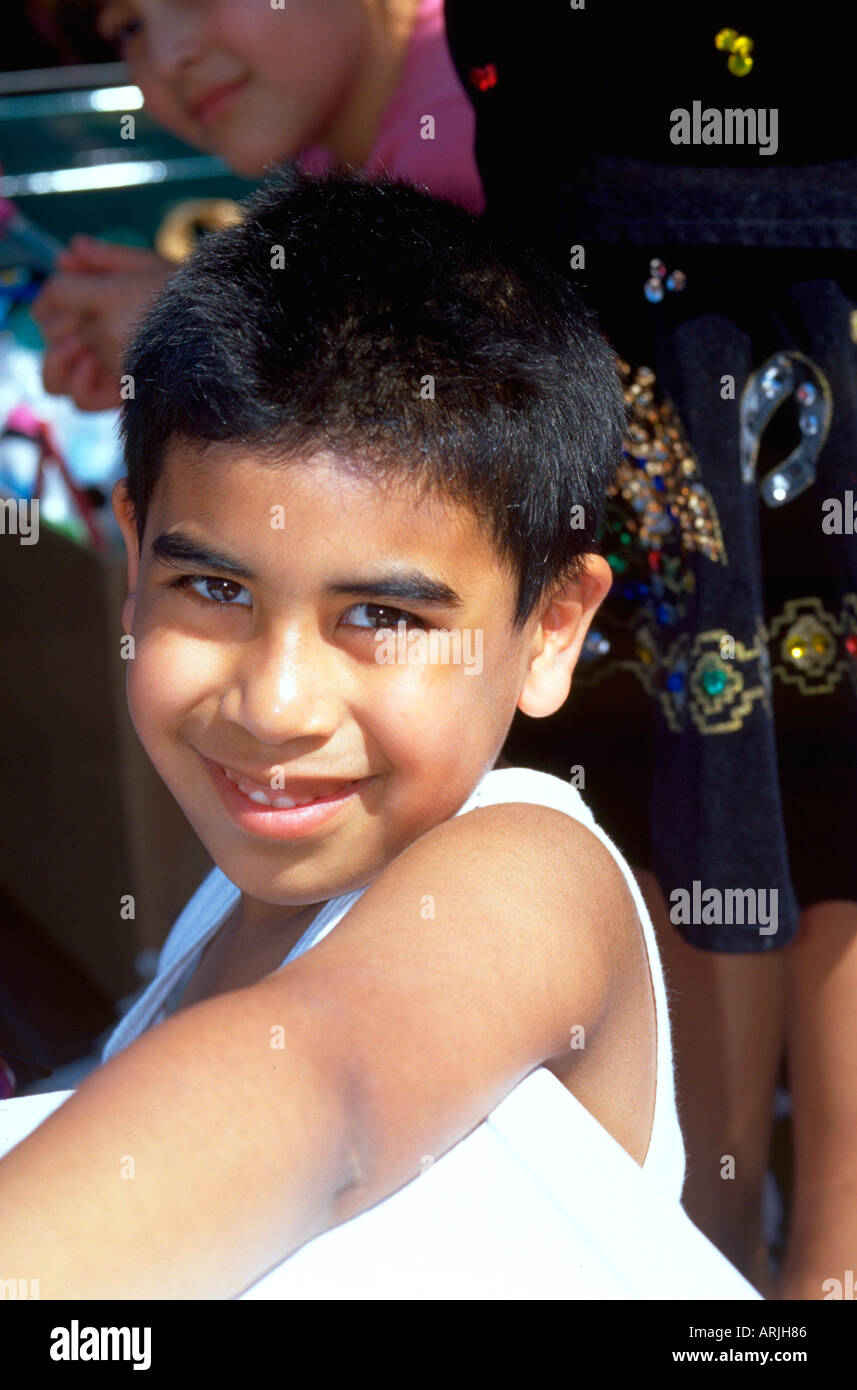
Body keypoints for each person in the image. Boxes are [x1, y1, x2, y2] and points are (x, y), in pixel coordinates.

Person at [0, 167, 758, 1298]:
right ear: (133, 550)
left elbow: (325, 1084)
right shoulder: (246, 884)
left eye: (381, 616)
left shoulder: (528, 870)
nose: (275, 704)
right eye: (213, 588)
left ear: (550, 627)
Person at [442, 0, 857, 1299]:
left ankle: (767, 1258)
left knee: (770, 798)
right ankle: (717, 1260)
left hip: (713, 259)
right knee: (667, 809)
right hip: (603, 292)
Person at [32, 0, 482, 410]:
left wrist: (196, 338)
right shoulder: (336, 149)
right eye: (129, 28)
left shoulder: (460, 135)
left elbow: (473, 425)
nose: (167, 58)